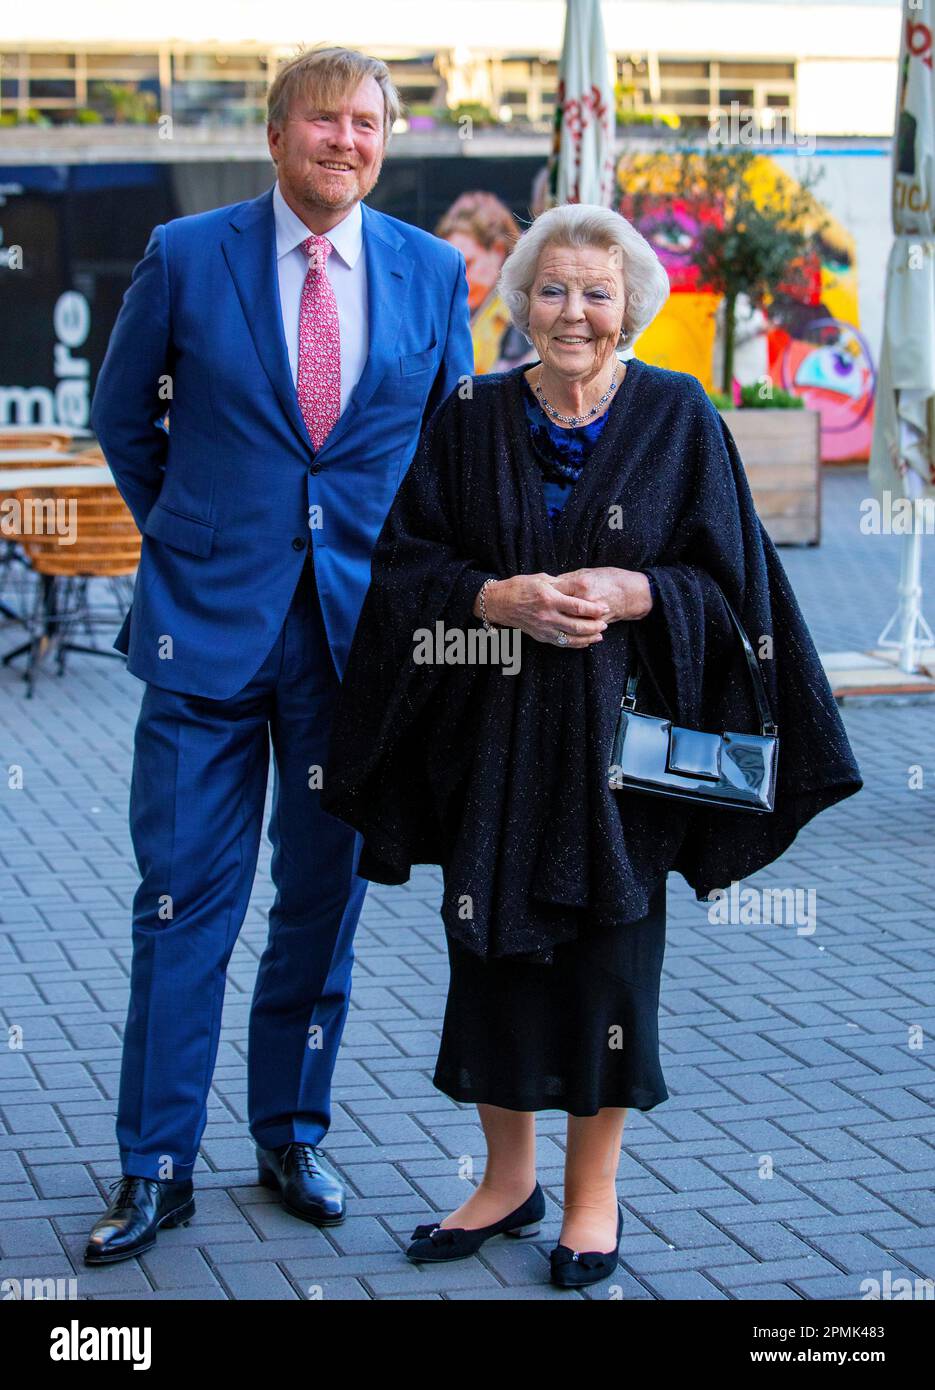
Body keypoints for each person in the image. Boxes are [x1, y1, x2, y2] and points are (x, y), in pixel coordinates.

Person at [320, 202, 863, 1288]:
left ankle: (590, 1197)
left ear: (630, 308)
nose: (573, 311)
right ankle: (503, 1180)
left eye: (596, 291)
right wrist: (492, 595)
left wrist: (640, 591)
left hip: (622, 760)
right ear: (520, 302)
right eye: (553, 289)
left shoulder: (677, 415)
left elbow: (737, 586)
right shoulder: (470, 414)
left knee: (607, 972)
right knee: (487, 960)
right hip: (495, 747)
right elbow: (401, 571)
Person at [83, 45, 474, 1265]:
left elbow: (449, 451)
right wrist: (188, 532)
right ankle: (155, 1163)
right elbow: (117, 414)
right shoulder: (187, 254)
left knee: (321, 905)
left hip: (354, 648)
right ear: (276, 134)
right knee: (180, 902)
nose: (345, 141)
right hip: (205, 633)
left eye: (366, 123)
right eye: (323, 121)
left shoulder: (428, 273)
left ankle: (289, 1129)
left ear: (385, 139)